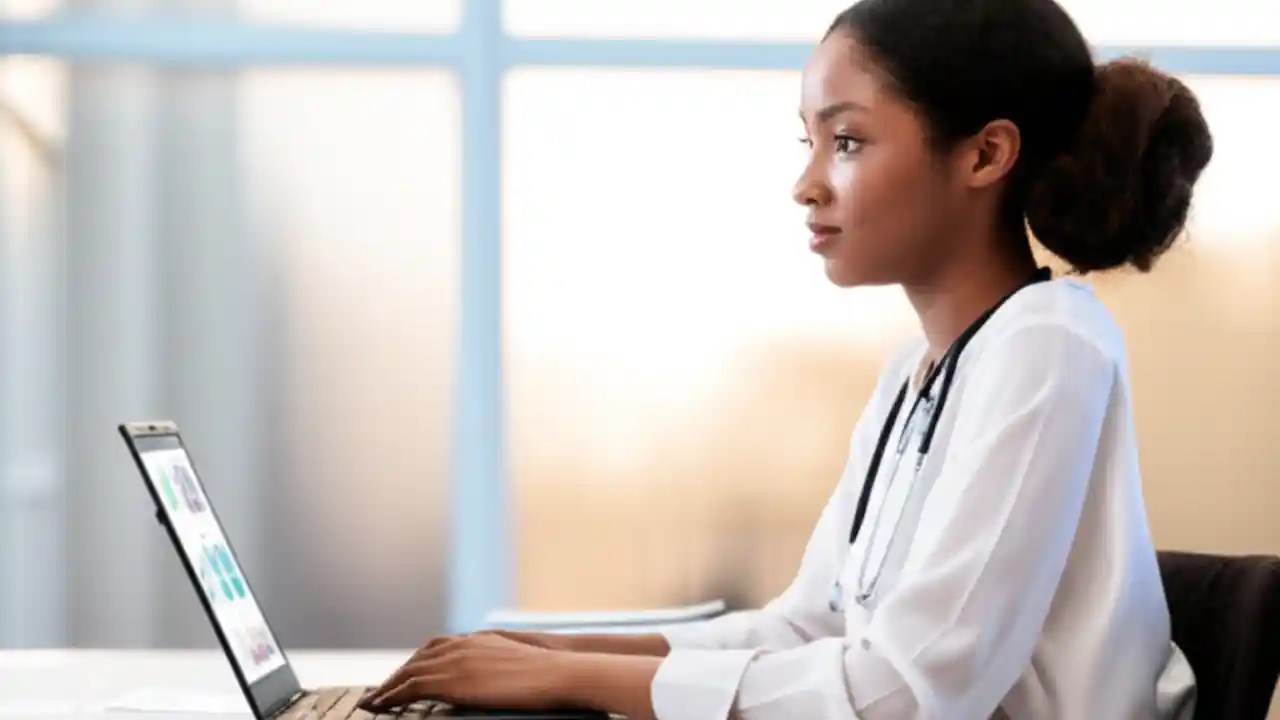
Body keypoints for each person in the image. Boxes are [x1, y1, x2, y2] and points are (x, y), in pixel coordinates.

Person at [362, 0, 1213, 717]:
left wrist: (569, 681)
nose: (807, 184)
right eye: (808, 141)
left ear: (985, 154)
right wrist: (555, 653)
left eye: (847, 142)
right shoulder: (917, 372)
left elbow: (908, 695)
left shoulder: (1050, 344)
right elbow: (809, 628)